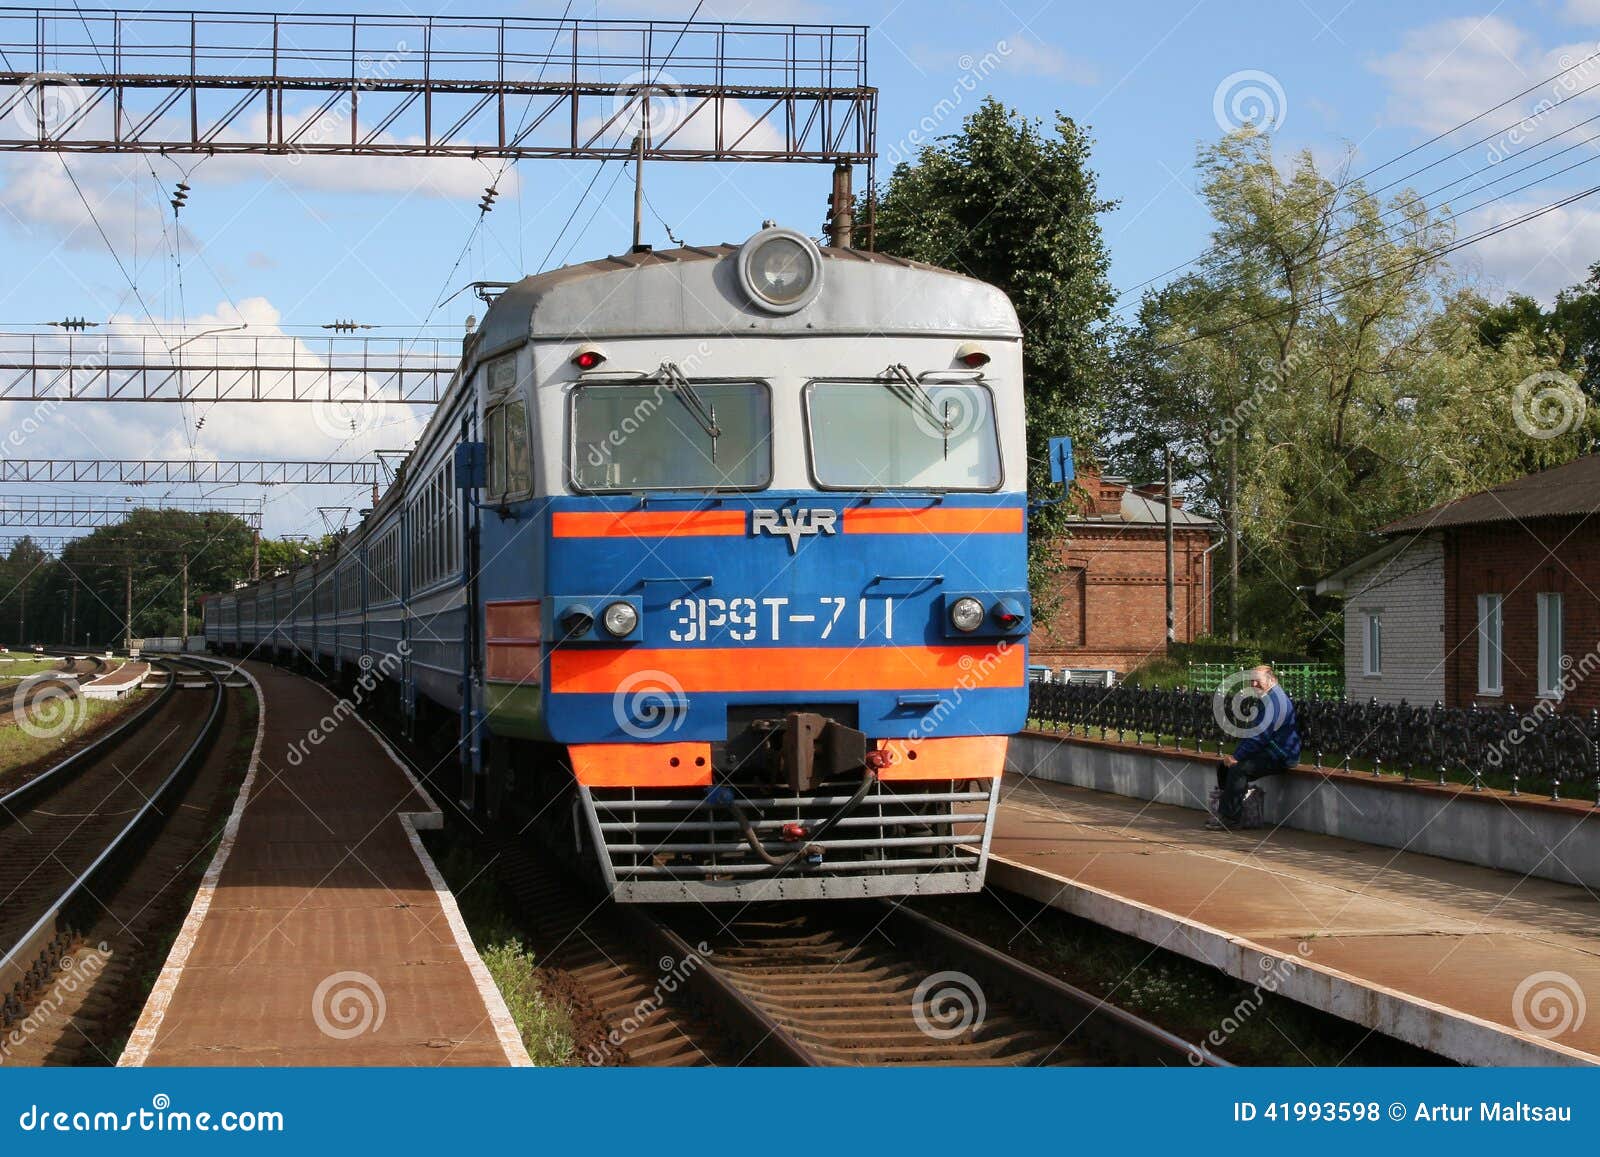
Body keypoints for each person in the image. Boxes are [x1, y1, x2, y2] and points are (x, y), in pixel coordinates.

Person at [1207, 664, 1301, 830]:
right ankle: (1223, 811)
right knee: (1224, 767)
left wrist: (1237, 758)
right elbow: (1253, 733)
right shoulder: (1269, 697)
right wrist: (1236, 756)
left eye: (1258, 681)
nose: (1254, 684)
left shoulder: (1275, 701)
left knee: (1238, 769)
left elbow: (1260, 736)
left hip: (1281, 755)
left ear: (1272, 680)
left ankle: (1231, 818)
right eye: (1252, 681)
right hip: (1269, 750)